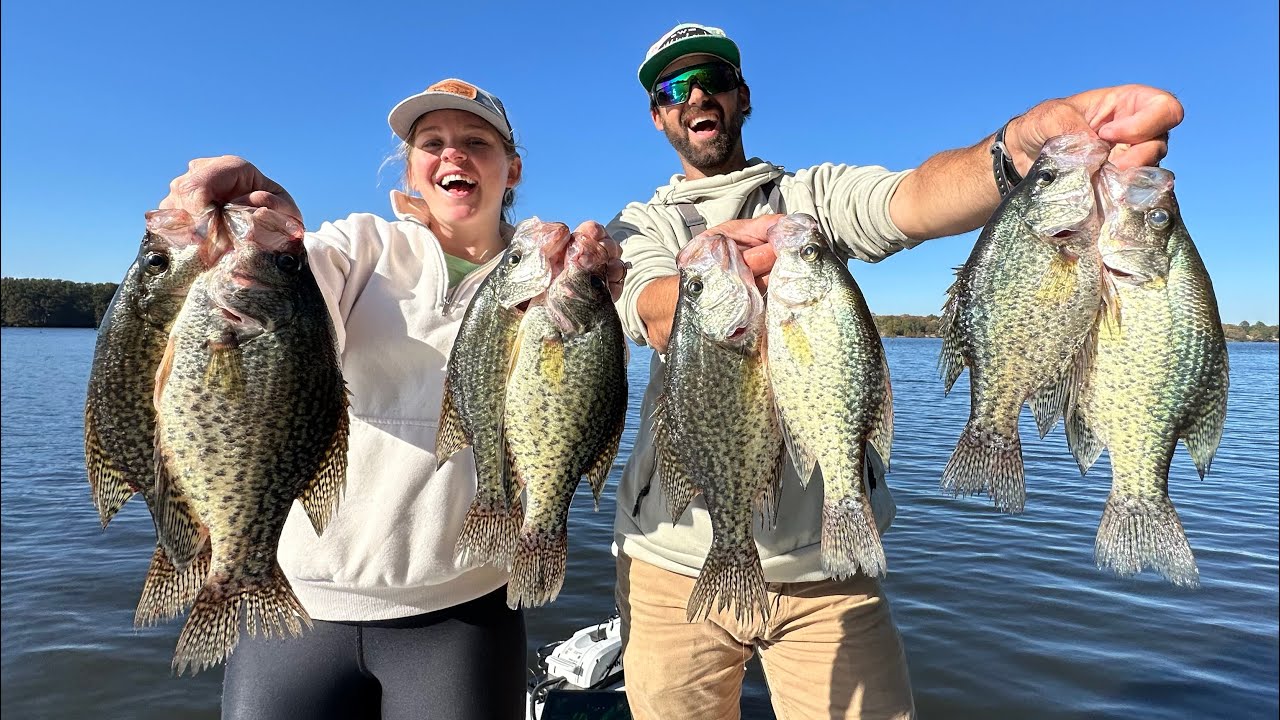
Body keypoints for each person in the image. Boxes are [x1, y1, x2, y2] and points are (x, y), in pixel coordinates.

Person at [607, 22, 1185, 720]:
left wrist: (1016, 150)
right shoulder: (640, 225)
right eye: (675, 87)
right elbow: (654, 311)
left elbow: (916, 199)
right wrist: (710, 274)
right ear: (658, 114)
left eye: (715, 80)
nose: (697, 96)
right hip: (671, 563)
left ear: (742, 96)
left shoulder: (812, 196)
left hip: (831, 565)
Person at [159, 78, 619, 720]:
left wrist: (596, 293)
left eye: (476, 141)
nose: (453, 154)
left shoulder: (549, 274)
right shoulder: (359, 245)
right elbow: (291, 301)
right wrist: (273, 234)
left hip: (464, 605)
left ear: (512, 169)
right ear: (410, 170)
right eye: (432, 143)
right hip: (298, 598)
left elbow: (579, 399)